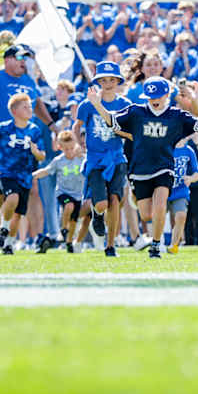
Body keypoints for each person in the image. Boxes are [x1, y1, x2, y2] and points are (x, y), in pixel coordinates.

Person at [91, 76, 198, 259]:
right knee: (146, 214)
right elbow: (112, 122)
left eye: (158, 96)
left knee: (160, 204)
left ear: (167, 94)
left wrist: (196, 100)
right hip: (140, 169)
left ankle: (156, 245)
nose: (154, 100)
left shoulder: (175, 115)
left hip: (165, 167)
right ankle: (144, 213)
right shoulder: (136, 112)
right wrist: (97, 104)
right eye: (151, 97)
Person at [74, 60, 129, 256]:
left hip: (116, 158)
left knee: (115, 200)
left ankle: (111, 244)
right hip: (95, 159)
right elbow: (76, 126)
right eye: (103, 80)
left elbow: (130, 131)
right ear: (98, 81)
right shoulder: (88, 105)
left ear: (117, 81)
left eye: (111, 79)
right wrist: (79, 144)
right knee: (101, 203)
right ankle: (97, 216)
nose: (107, 83)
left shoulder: (124, 104)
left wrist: (122, 131)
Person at [0, 92, 45, 254]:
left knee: (18, 214)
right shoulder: (4, 128)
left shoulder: (34, 130)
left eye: (30, 107)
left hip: (25, 176)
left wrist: (36, 152)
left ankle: (8, 244)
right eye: (24, 107)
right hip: (6, 173)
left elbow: (42, 155)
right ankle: (3, 229)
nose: (29, 110)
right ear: (14, 111)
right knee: (12, 198)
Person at [32, 129, 87, 253]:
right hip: (63, 192)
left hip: (78, 194)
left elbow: (91, 165)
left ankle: (68, 242)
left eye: (71, 148)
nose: (69, 151)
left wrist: (84, 153)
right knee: (68, 206)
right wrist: (33, 175)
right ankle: (63, 228)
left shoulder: (82, 158)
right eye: (66, 149)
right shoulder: (59, 161)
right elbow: (46, 171)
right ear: (60, 148)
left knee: (74, 221)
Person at [168, 141, 198, 253]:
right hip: (164, 189)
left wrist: (191, 179)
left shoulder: (189, 150)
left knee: (181, 216)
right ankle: (158, 242)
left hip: (181, 190)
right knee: (159, 215)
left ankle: (174, 245)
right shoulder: (167, 146)